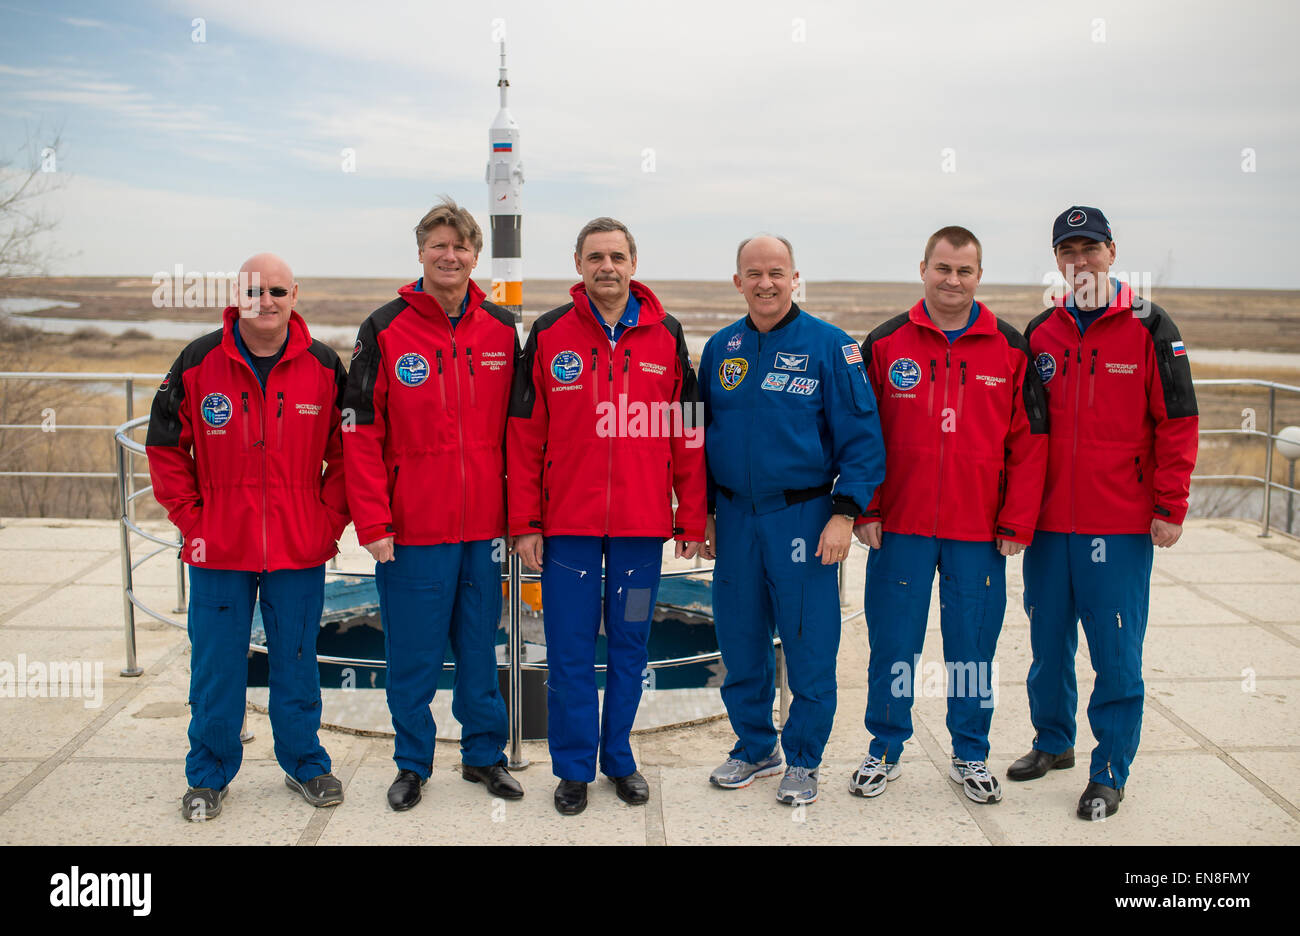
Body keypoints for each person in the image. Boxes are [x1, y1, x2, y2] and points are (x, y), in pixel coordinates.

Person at [509, 217, 706, 816]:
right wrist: (524, 523)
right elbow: (523, 437)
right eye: (595, 257)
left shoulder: (668, 336)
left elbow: (689, 431)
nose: (607, 267)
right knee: (568, 652)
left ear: (633, 262)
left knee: (629, 646)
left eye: (617, 256)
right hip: (567, 529)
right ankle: (572, 770)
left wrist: (691, 517)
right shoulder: (546, 335)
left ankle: (618, 759)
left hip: (641, 532)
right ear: (578, 264)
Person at [146, 253, 349, 820]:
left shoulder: (325, 366)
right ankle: (209, 774)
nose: (267, 300)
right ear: (238, 294)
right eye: (255, 290)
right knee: (217, 665)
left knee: (297, 659)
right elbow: (165, 448)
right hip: (218, 551)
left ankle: (306, 764)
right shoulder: (198, 360)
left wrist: (325, 520)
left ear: (295, 295)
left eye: (278, 291)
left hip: (297, 548)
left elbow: (348, 453)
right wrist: (193, 520)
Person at [850, 226, 1048, 805]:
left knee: (971, 648)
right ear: (923, 269)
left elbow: (1030, 441)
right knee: (894, 644)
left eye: (964, 271)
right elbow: (863, 437)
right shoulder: (886, 344)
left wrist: (1017, 521)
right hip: (901, 529)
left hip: (977, 532)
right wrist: (866, 507)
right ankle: (884, 748)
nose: (952, 280)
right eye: (943, 268)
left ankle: (971, 752)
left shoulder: (1011, 350)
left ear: (978, 275)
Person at [1012, 206, 1198, 819]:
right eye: (1069, 251)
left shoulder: (1150, 326)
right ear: (1058, 259)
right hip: (1048, 525)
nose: (1080, 260)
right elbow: (1022, 433)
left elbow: (1178, 422)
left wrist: (1169, 506)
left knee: (1115, 652)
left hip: (1118, 526)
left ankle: (1110, 768)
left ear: (1112, 253)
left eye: (1091, 248)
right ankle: (1053, 742)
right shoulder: (1040, 333)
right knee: (1046, 643)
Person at [343, 197, 523, 811]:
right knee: (414, 657)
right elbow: (359, 430)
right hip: (412, 530)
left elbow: (522, 434)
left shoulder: (502, 328)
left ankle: (483, 757)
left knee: (480, 651)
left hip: (482, 533)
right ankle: (413, 763)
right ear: (420, 252)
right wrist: (373, 519)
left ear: (476, 256)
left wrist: (521, 517)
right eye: (438, 245)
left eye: (461, 246)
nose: (450, 256)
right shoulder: (385, 328)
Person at [698, 235, 886, 806]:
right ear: (738, 282)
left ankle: (804, 759)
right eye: (753, 273)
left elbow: (863, 441)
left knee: (808, 644)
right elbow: (697, 436)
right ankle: (755, 747)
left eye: (776, 272)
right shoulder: (719, 349)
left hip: (803, 519)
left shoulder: (831, 347)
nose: (765, 283)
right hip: (733, 519)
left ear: (794, 277)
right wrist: (703, 509)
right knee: (740, 640)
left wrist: (845, 512)